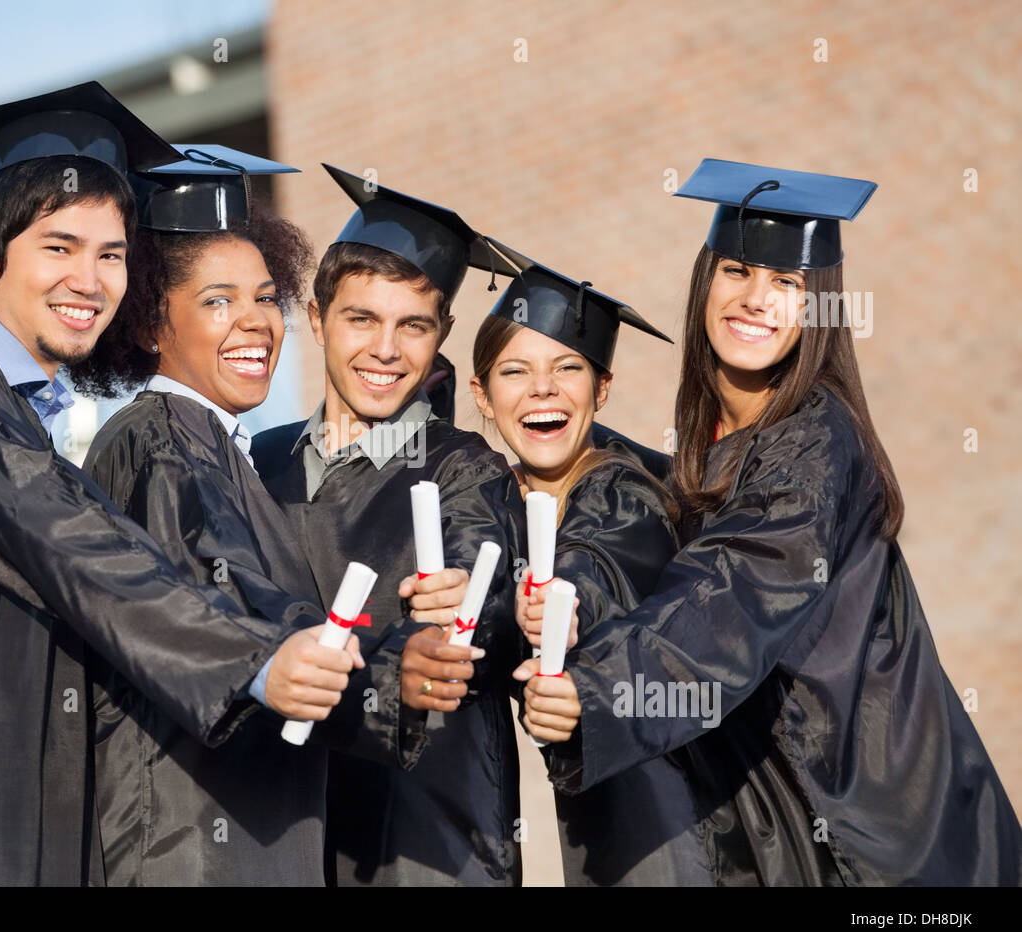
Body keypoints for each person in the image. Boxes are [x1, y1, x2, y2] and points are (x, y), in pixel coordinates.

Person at [0, 85, 359, 886]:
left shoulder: (23, 417)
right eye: (59, 247)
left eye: (110, 254)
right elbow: (62, 536)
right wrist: (252, 659)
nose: (89, 279)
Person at [517, 159, 1022, 883]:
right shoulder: (715, 444)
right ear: (705, 283)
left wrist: (598, 688)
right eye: (736, 272)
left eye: (786, 285)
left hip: (882, 836)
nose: (755, 299)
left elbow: (729, 592)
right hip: (799, 822)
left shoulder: (814, 442)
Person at [67, 147, 476, 884]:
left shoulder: (224, 452)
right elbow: (224, 612)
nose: (254, 322)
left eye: (265, 297)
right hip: (185, 847)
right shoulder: (157, 444)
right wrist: (386, 681)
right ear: (148, 319)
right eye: (218, 301)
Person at [253, 166, 526, 885]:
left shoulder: (464, 469)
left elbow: (486, 589)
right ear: (315, 319)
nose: (385, 349)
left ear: (442, 335)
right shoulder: (256, 459)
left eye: (414, 326)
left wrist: (471, 602)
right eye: (361, 319)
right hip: (290, 832)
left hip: (429, 839)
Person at [470, 241, 714, 885]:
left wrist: (560, 600)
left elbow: (600, 561)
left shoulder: (624, 491)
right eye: (515, 371)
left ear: (602, 388)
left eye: (568, 368)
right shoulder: (492, 500)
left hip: (673, 821)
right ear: (482, 395)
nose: (542, 388)